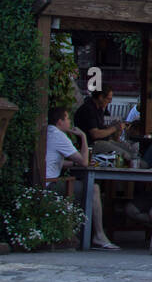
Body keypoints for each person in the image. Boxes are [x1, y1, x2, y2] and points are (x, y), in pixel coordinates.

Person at [45, 106, 118, 250]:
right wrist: (83, 137)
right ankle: (98, 235)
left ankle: (87, 234)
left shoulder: (48, 132)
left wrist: (73, 162)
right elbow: (84, 162)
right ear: (60, 122)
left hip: (44, 182)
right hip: (50, 185)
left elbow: (54, 161)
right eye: (67, 119)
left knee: (85, 187)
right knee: (94, 188)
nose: (69, 122)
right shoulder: (59, 136)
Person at [74, 89, 136, 163]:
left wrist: (112, 127)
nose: (110, 101)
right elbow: (95, 134)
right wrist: (115, 128)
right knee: (126, 156)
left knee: (132, 151)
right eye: (108, 99)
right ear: (100, 97)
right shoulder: (88, 109)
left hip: (103, 141)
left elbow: (100, 129)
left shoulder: (99, 109)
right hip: (92, 145)